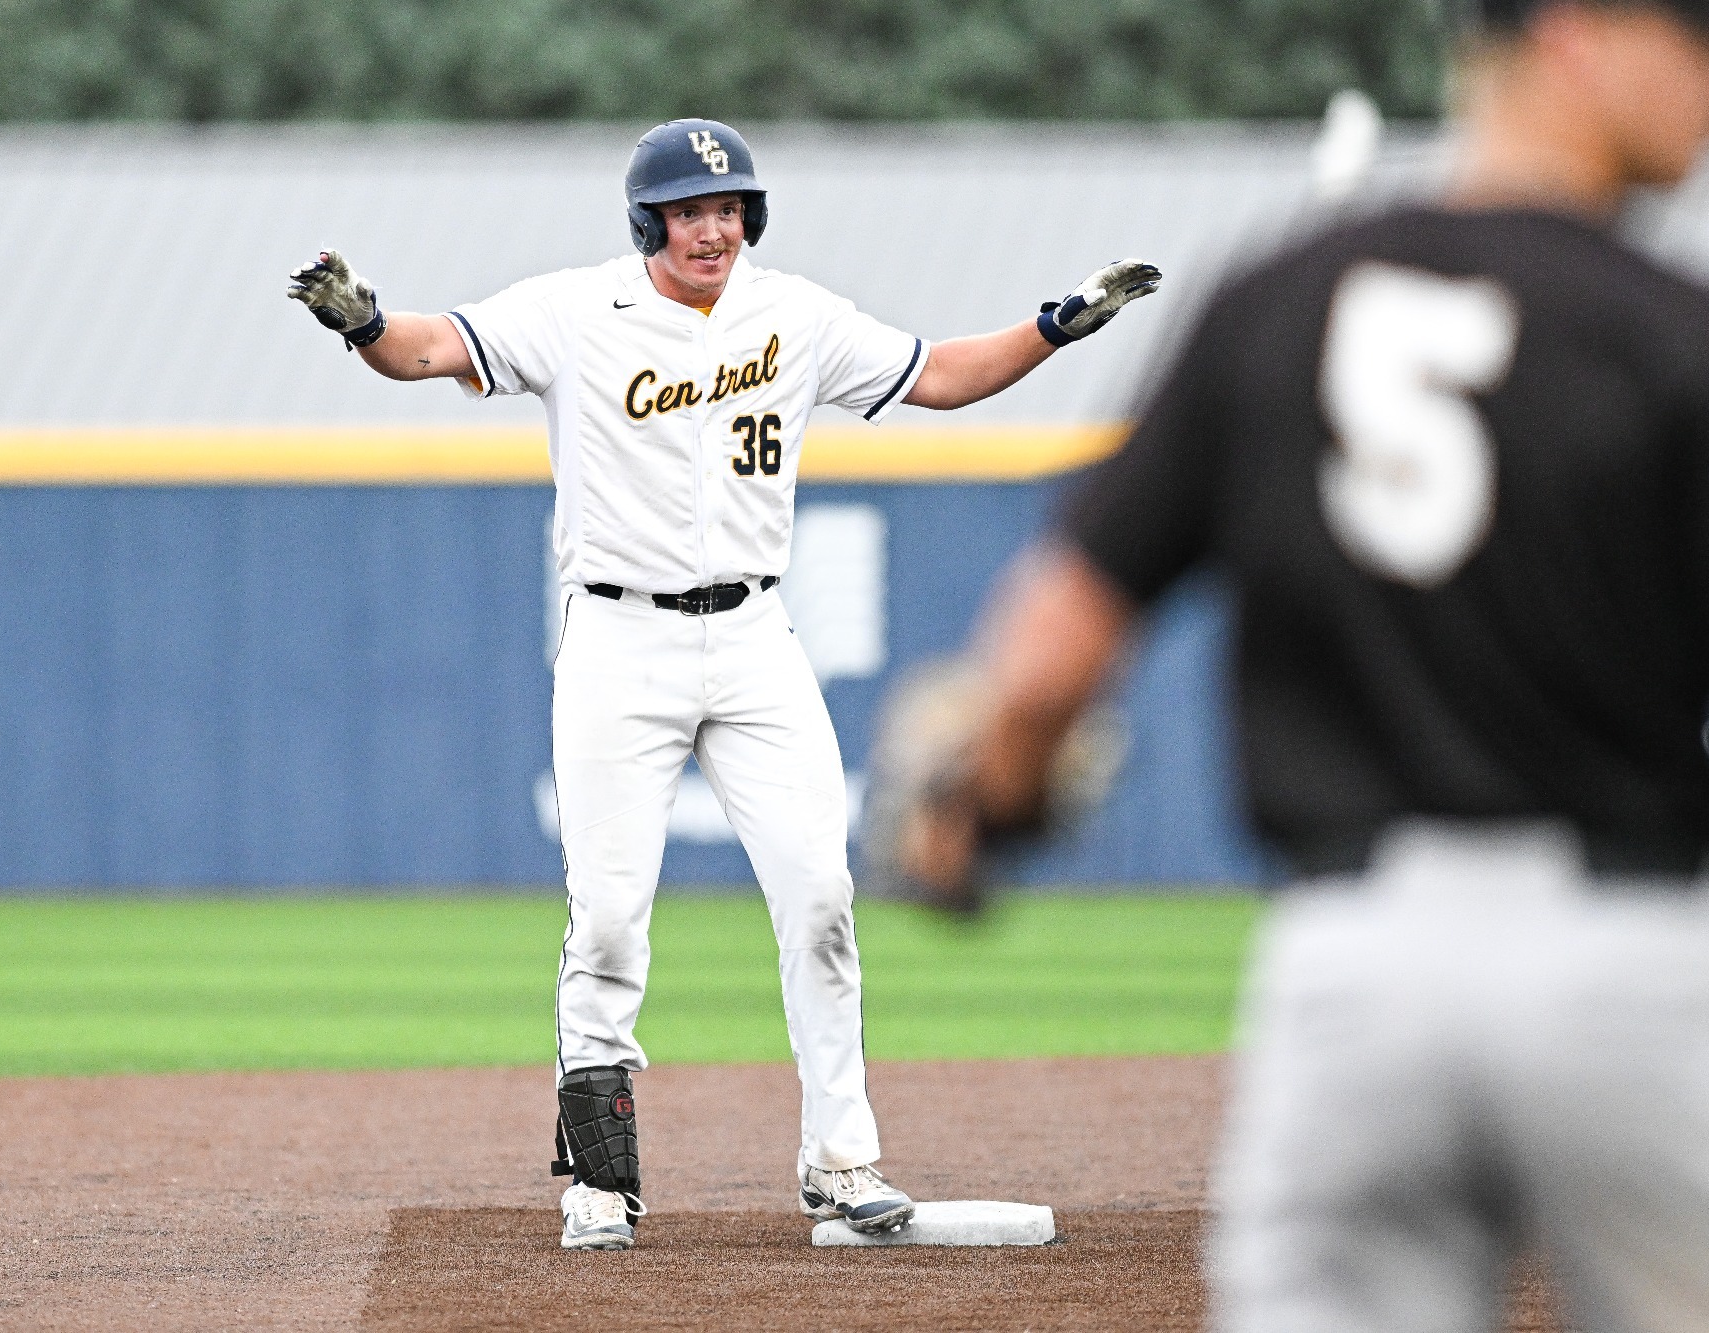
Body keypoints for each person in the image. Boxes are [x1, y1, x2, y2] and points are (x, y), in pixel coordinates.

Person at [900, 0, 1709, 1326]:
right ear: (1573, 35)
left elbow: (1046, 660)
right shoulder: (1670, 330)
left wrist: (982, 802)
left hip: (1356, 974)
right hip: (1628, 965)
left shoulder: (1278, 298)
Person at [286, 119, 1160, 1250]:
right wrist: (361, 322)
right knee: (608, 918)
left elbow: (941, 377)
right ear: (647, 221)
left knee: (822, 894)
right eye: (690, 211)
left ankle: (841, 1162)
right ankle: (601, 1181)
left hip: (753, 636)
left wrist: (1057, 324)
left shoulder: (792, 315)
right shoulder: (575, 310)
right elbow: (429, 350)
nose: (713, 228)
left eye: (730, 207)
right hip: (617, 638)